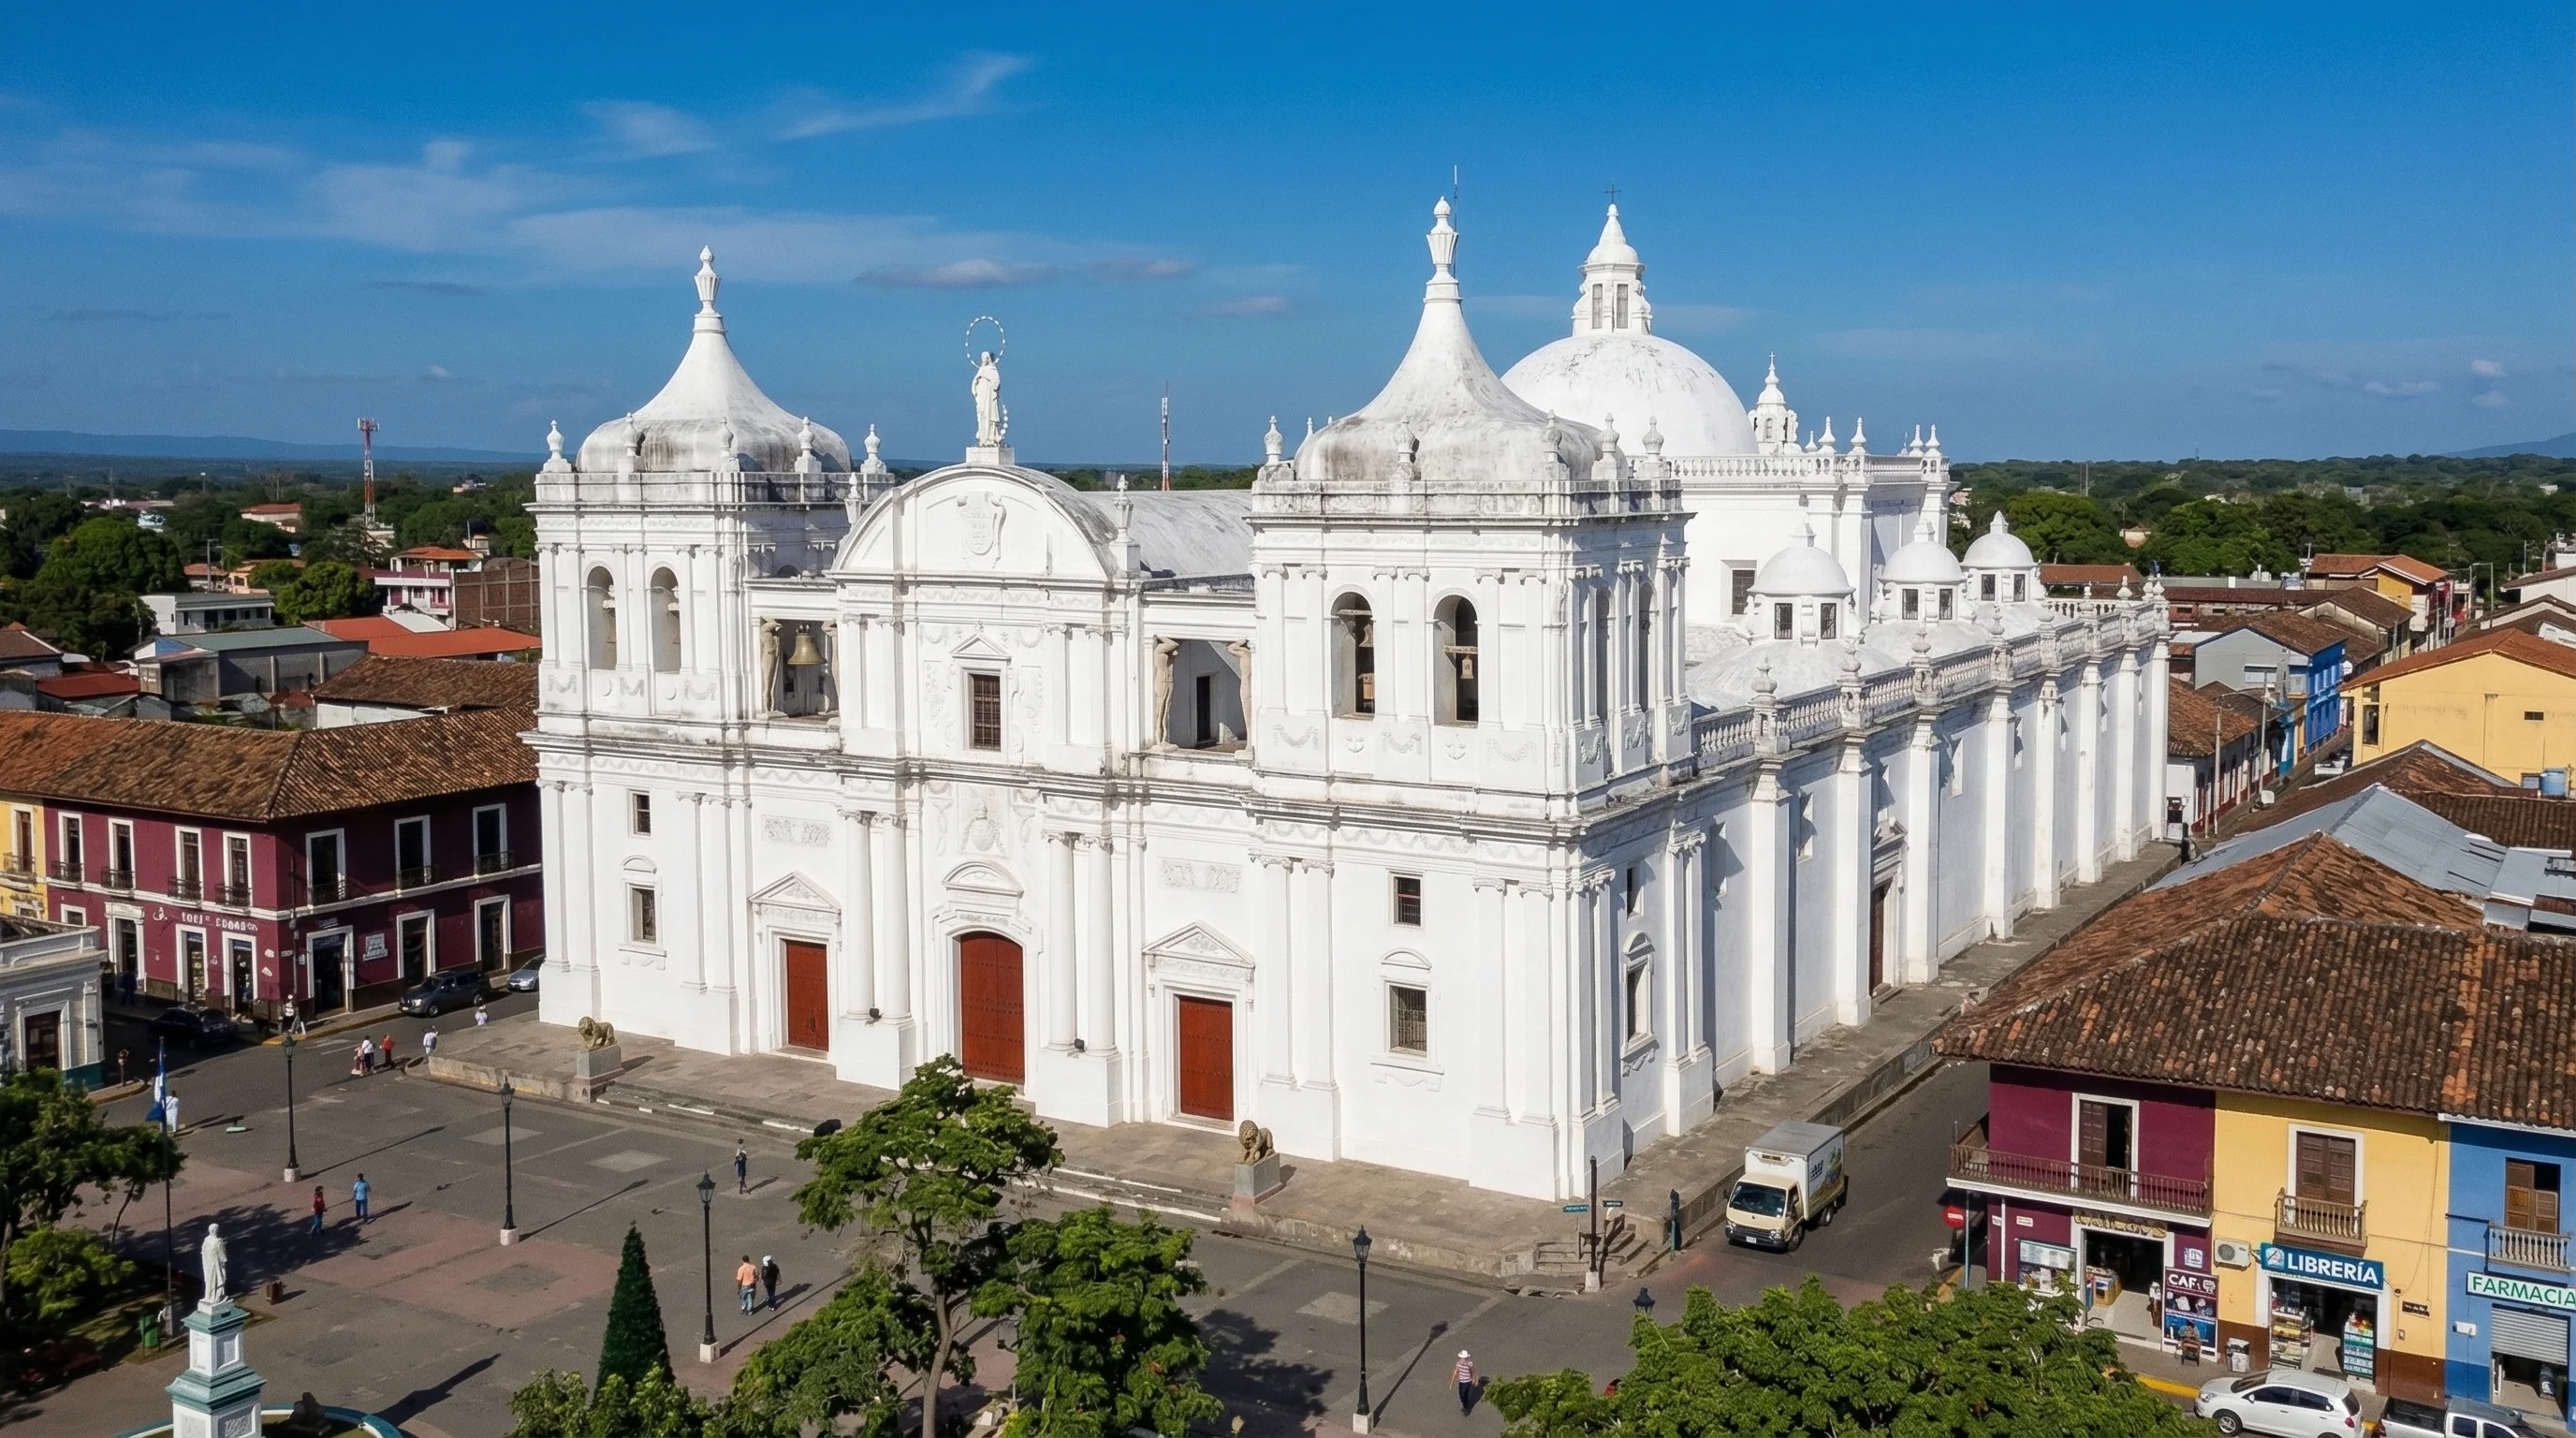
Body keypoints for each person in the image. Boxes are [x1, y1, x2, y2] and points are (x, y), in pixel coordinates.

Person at [1455, 1350, 1477, 1416]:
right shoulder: (1459, 1363)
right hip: (1461, 1381)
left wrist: (1474, 1379)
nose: (1462, 1359)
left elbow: (1473, 1371)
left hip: (1467, 1381)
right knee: (1461, 1395)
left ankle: (1466, 1409)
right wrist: (1456, 1377)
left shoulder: (1469, 1364)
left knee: (1465, 1394)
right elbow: (1457, 1371)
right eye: (1461, 1358)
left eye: (1463, 1358)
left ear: (1466, 1358)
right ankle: (1465, 1406)